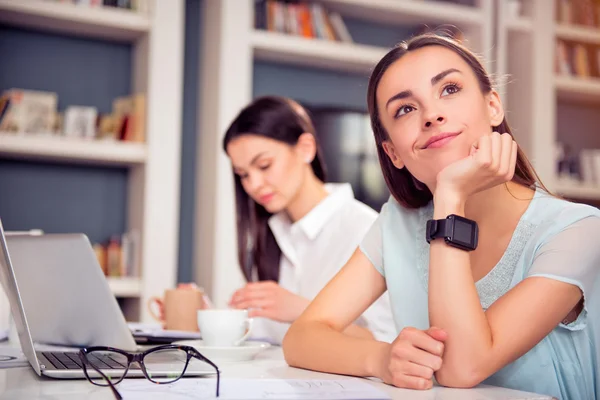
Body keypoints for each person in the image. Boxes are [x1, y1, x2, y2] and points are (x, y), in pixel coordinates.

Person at [282, 34, 600, 400]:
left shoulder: (577, 230)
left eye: (449, 89)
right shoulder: (397, 224)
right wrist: (381, 359)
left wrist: (450, 197)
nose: (431, 115)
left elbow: (462, 367)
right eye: (405, 109)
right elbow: (302, 337)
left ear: (493, 106)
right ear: (393, 152)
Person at [222, 96, 396, 345]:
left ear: (305, 148)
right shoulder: (274, 233)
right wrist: (204, 317)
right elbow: (263, 334)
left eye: (264, 165)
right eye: (243, 175)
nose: (253, 185)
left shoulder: (365, 229)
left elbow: (387, 343)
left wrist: (303, 310)